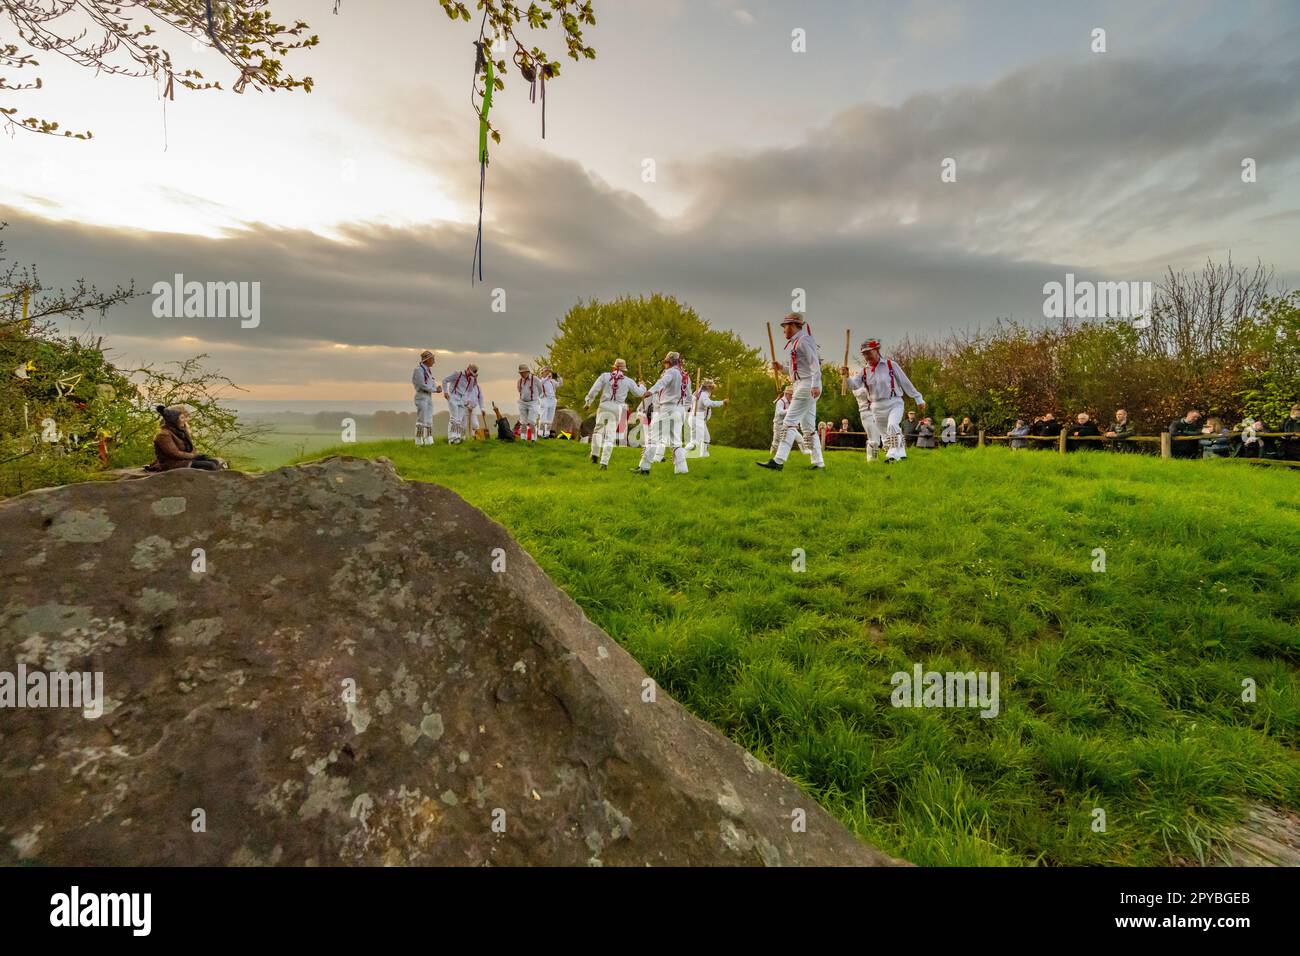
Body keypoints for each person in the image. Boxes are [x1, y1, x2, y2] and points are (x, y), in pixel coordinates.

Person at [839, 338, 925, 464]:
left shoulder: (891, 365)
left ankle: (892, 455)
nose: (867, 356)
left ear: (877, 350)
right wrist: (846, 376)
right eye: (864, 354)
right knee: (885, 435)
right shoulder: (864, 371)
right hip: (876, 406)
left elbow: (905, 382)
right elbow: (854, 385)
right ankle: (901, 454)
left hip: (894, 402)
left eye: (869, 352)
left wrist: (918, 398)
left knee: (892, 426)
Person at [757, 312, 824, 471]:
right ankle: (818, 462)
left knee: (789, 423)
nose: (783, 330)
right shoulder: (796, 343)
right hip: (803, 383)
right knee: (808, 428)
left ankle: (778, 461)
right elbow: (797, 370)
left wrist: (814, 385)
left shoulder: (804, 341)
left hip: (807, 386)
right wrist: (781, 368)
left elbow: (815, 365)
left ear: (793, 325)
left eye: (785, 326)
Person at [633, 351, 691, 475]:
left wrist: (650, 391)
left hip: (667, 409)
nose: (665, 364)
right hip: (680, 410)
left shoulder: (670, 372)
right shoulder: (686, 375)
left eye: (665, 362)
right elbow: (689, 395)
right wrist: (687, 407)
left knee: (653, 438)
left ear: (670, 362)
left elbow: (661, 383)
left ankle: (644, 468)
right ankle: (682, 470)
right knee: (676, 441)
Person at [584, 359, 645, 470]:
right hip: (617, 408)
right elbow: (639, 393)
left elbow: (594, 389)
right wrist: (642, 386)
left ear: (614, 367)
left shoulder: (605, 376)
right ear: (624, 370)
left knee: (598, 431)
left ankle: (594, 455)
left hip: (604, 406)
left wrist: (588, 401)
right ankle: (604, 463)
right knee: (610, 435)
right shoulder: (628, 381)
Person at [146, 405, 222, 472]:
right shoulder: (164, 435)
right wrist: (194, 456)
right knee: (210, 466)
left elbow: (190, 448)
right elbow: (174, 453)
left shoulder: (181, 431)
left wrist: (198, 456)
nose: (185, 420)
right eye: (182, 418)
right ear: (174, 420)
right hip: (172, 464)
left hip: (183, 460)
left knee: (215, 462)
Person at [442, 364, 484, 444]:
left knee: (459, 420)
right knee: (453, 418)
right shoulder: (458, 374)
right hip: (453, 396)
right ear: (467, 369)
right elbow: (445, 380)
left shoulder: (471, 379)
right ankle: (451, 438)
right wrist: (445, 392)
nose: (471, 375)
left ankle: (457, 438)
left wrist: (475, 379)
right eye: (471, 373)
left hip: (462, 399)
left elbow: (470, 389)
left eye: (472, 374)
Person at [771, 385, 812, 458]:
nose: (792, 396)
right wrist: (790, 411)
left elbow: (795, 415)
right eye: (790, 394)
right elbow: (779, 412)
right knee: (776, 441)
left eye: (792, 394)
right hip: (778, 425)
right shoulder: (780, 402)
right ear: (786, 394)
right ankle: (773, 455)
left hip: (789, 425)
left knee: (799, 438)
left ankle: (805, 452)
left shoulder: (792, 402)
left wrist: (796, 423)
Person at [411, 350, 442, 446]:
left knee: (428, 419)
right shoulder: (418, 370)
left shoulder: (428, 371)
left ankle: (429, 440)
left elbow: (429, 383)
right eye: (432, 359)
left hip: (428, 396)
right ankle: (418, 441)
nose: (434, 361)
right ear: (427, 359)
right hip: (421, 396)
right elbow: (421, 385)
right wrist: (434, 389)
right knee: (421, 419)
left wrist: (436, 388)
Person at [538, 367, 563, 438]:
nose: (548, 372)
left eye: (549, 371)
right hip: (544, 399)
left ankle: (546, 434)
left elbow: (560, 384)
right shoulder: (541, 381)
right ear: (542, 373)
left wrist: (559, 377)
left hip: (552, 400)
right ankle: (540, 433)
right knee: (543, 417)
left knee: (550, 417)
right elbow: (540, 383)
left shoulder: (552, 381)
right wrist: (547, 378)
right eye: (546, 371)